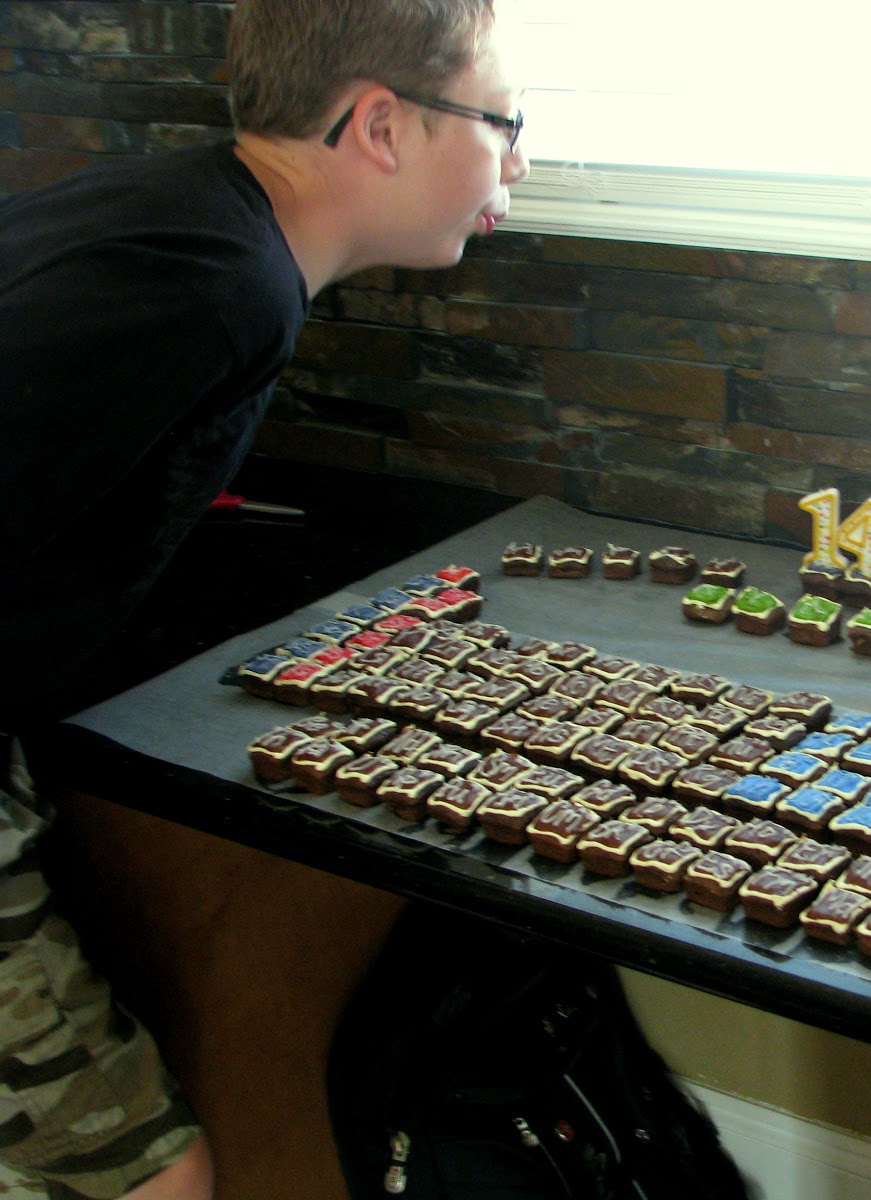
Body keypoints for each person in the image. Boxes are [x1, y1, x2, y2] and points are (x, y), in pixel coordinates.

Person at [0, 1, 529, 1194]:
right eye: (503, 122)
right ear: (381, 125)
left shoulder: (181, 216)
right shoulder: (220, 286)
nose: (519, 162)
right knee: (159, 1182)